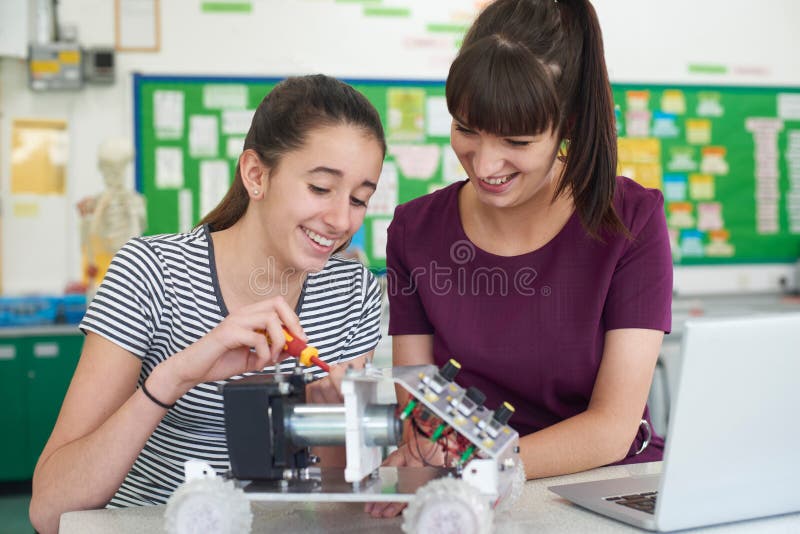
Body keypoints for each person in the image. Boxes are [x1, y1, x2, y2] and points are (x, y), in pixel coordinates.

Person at [30, 74, 387, 534]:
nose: (342, 220)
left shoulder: (352, 292)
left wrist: (338, 424)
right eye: (320, 188)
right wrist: (174, 376)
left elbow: (343, 502)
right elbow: (49, 510)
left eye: (360, 199)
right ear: (256, 175)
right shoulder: (151, 272)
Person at [367, 0, 672, 518]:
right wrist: (436, 456)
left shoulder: (630, 222)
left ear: (567, 124)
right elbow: (418, 403)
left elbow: (610, 429)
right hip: (470, 493)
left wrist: (476, 463)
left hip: (605, 488)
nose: (485, 164)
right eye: (466, 128)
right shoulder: (414, 231)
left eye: (517, 140)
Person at [77, 137, 147, 298]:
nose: (111, 173)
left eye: (115, 168)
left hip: (128, 267)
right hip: (101, 268)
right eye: (107, 168)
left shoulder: (133, 201)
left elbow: (139, 226)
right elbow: (88, 231)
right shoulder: (96, 202)